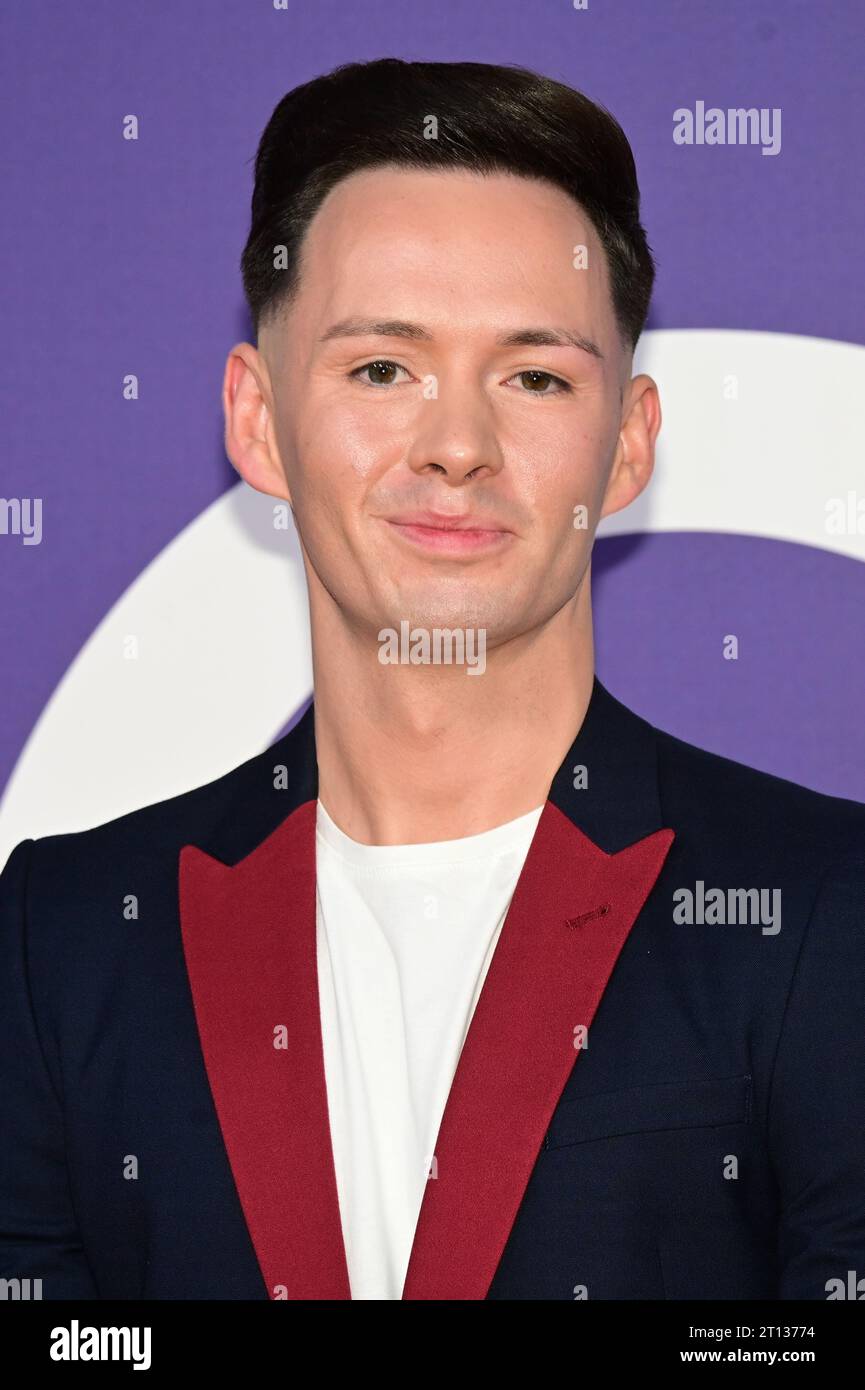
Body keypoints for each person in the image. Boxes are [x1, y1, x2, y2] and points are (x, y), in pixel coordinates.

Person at [1, 58, 863, 1302]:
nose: (457, 445)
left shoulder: (823, 911)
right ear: (256, 420)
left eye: (535, 377)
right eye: (380, 369)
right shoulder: (65, 940)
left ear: (628, 443)